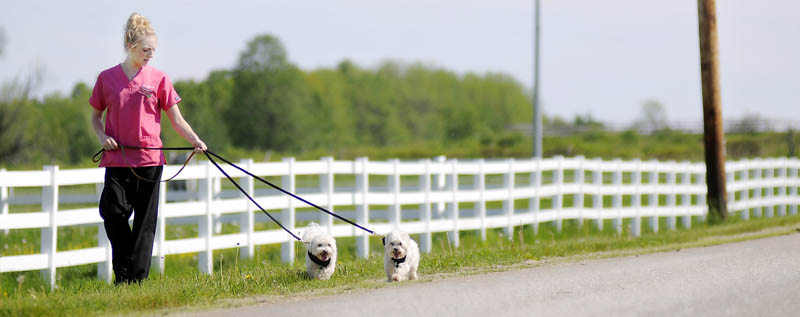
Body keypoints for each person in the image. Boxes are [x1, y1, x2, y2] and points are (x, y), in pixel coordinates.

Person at [89, 12, 207, 284]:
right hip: (117, 160)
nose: (150, 55)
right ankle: (126, 268)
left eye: (153, 50)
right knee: (113, 211)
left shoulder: (159, 79)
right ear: (130, 47)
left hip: (150, 161)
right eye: (145, 50)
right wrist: (101, 136)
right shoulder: (107, 79)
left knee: (145, 223)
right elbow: (95, 117)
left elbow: (176, 119)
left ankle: (132, 280)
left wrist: (195, 141)